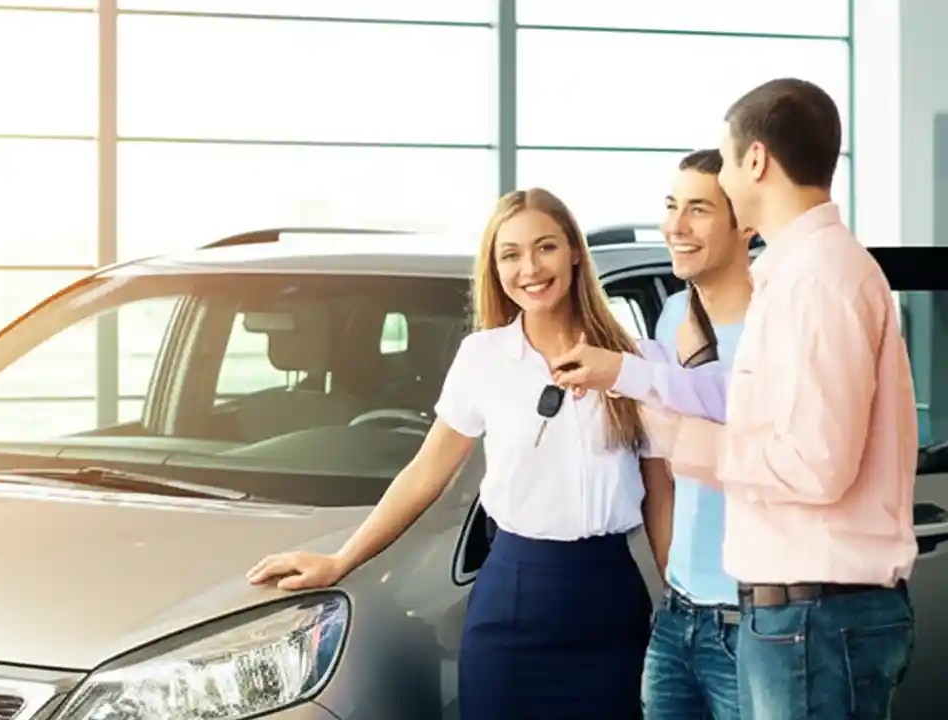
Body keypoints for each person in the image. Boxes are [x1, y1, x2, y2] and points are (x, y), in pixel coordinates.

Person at [551, 78, 918, 720]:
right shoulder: (803, 273)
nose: (720, 172)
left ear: (756, 160)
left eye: (722, 159)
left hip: (814, 618)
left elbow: (814, 463)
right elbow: (742, 404)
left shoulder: (818, 280)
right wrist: (628, 374)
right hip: (800, 617)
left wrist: (684, 441)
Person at [247, 188, 672, 719]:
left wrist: (678, 598)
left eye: (545, 248)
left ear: (574, 252)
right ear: (495, 268)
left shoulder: (631, 360)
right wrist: (341, 560)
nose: (530, 269)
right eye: (510, 255)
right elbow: (427, 470)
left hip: (609, 599)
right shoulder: (483, 359)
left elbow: (660, 490)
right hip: (514, 597)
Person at [641, 148, 756, 720]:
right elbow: (661, 465)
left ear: (746, 223)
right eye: (671, 206)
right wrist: (671, 577)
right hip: (678, 617)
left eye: (699, 209)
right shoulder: (672, 321)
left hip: (754, 624)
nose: (676, 227)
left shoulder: (779, 324)